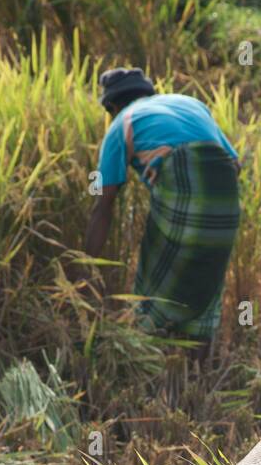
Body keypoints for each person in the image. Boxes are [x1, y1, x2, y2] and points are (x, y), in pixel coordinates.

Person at [83, 66, 241, 363]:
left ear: (113, 106)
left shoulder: (122, 122)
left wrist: (85, 268)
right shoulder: (191, 103)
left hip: (185, 177)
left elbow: (103, 205)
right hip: (226, 194)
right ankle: (197, 377)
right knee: (208, 275)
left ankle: (150, 362)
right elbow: (235, 164)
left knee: (152, 279)